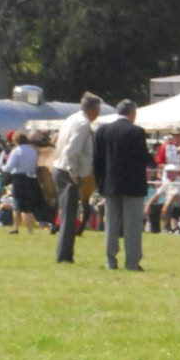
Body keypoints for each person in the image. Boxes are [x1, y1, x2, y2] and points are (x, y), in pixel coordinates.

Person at [94, 100, 154, 271]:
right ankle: (132, 263)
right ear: (132, 113)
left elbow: (97, 160)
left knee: (111, 224)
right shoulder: (136, 132)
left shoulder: (103, 131)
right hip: (133, 185)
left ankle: (110, 261)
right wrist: (153, 162)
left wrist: (100, 183)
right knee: (132, 226)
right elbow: (143, 156)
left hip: (110, 185)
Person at [54, 93, 100, 263]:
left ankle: (64, 254)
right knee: (69, 216)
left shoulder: (71, 119)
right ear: (93, 109)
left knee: (67, 213)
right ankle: (64, 255)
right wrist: (73, 173)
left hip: (60, 168)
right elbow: (72, 150)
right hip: (68, 172)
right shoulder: (82, 123)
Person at [0, 131, 45, 235]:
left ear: (16, 141)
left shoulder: (17, 151)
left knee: (18, 205)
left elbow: (9, 166)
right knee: (26, 207)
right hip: (31, 179)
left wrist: (2, 167)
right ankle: (24, 229)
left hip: (19, 179)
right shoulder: (33, 151)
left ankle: (20, 228)